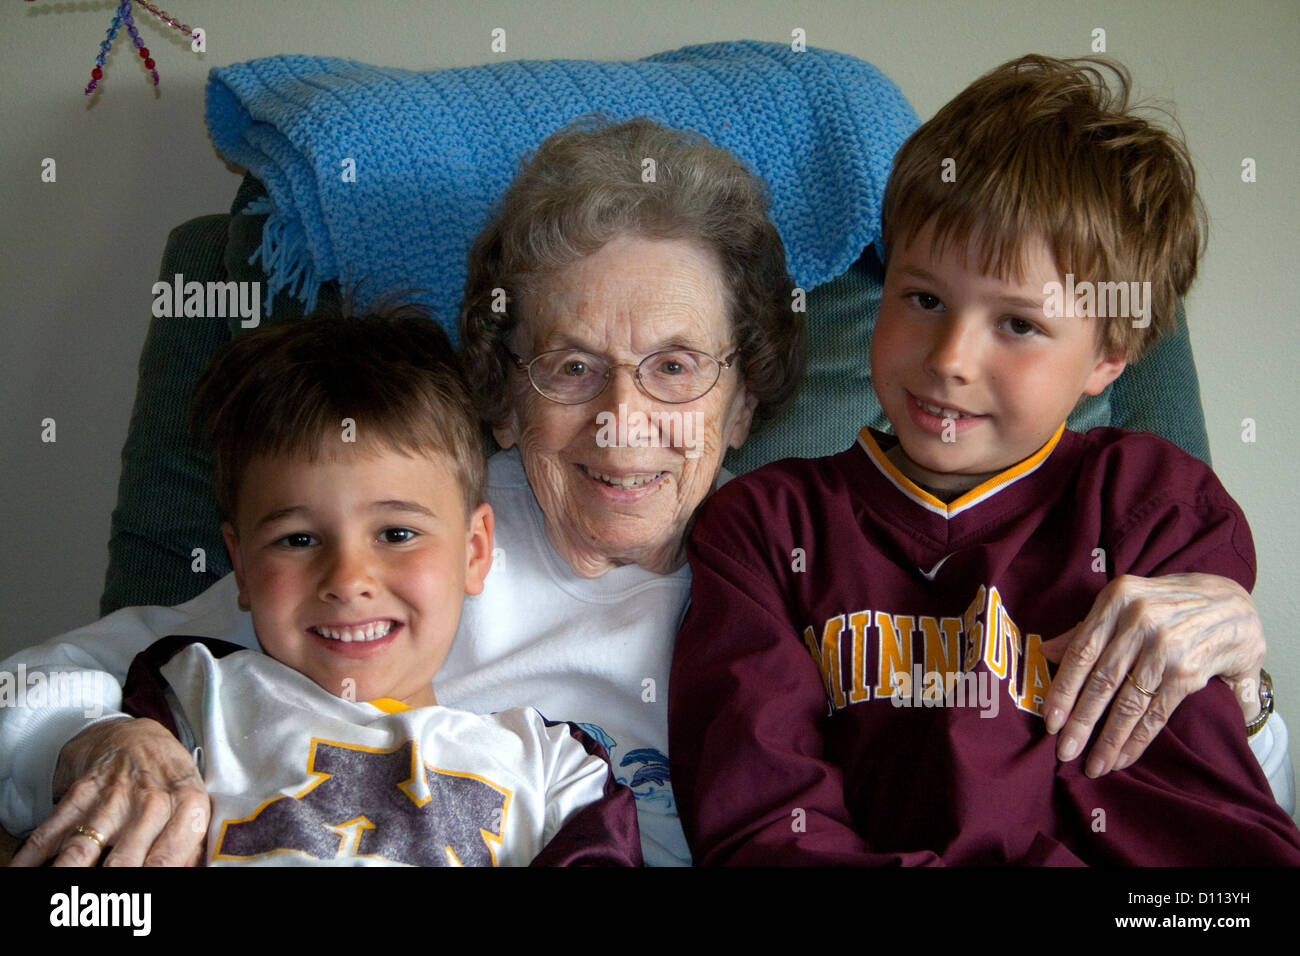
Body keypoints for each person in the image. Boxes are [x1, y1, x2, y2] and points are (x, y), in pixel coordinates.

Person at [0, 117, 1288, 869]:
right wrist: (96, 739)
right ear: (502, 391)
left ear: (745, 396)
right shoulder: (401, 542)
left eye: (675, 367)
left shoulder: (816, 566)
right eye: (571, 366)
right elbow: (40, 677)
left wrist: (1239, 668)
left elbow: (1188, 794)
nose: (624, 423)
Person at [669, 56, 1300, 865]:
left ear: (1110, 357)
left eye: (1018, 324)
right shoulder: (762, 527)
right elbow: (763, 823)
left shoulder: (1156, 509)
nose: (950, 359)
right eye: (924, 299)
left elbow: (1201, 847)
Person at [125, 308, 640, 866]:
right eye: (297, 540)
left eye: (396, 533)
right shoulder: (191, 695)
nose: (348, 580)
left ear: (474, 552)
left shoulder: (553, 768)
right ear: (241, 567)